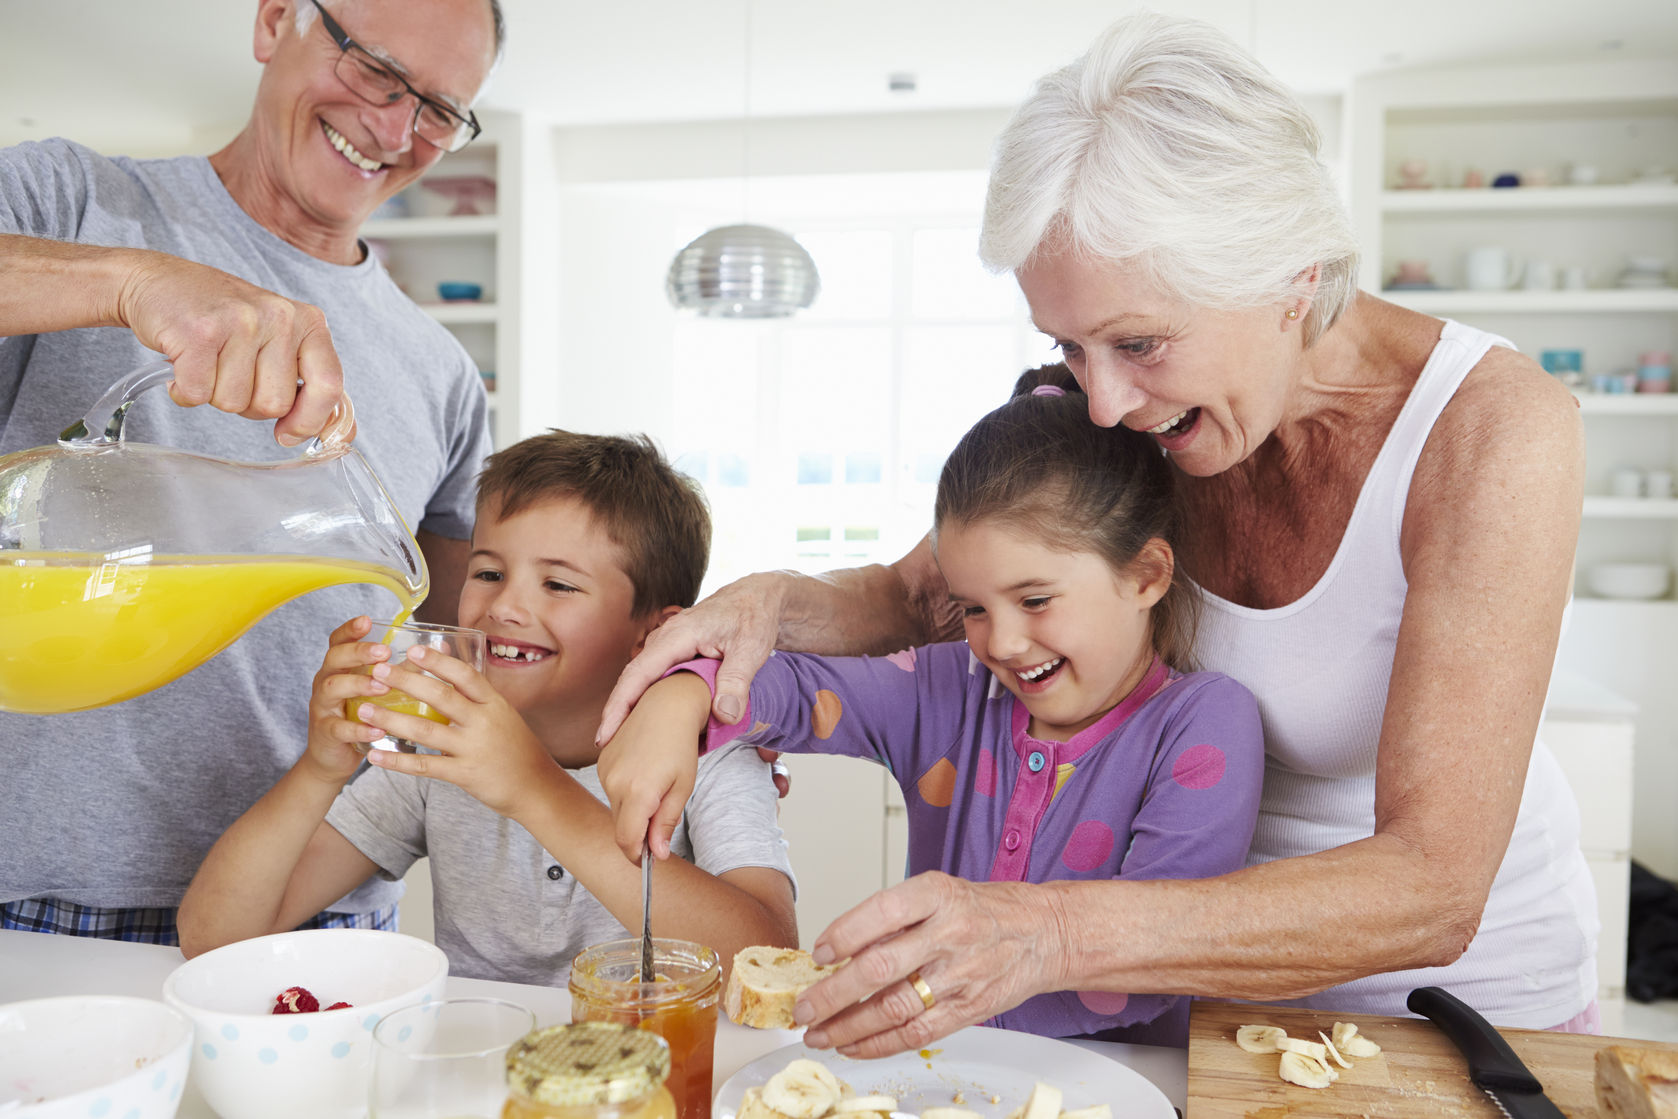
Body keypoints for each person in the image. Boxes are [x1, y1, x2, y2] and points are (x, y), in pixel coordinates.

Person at [598, 11, 1594, 1056]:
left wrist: (1045, 933)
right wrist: (754, 613)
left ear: (1291, 274)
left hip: (1456, 1022)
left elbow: (1434, 886)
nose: (1105, 403)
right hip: (1194, 1005)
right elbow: (914, 596)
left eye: (1141, 343)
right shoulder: (1122, 411)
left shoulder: (1490, 434)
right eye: (1071, 346)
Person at [0, 0, 505, 941]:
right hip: (44, 902)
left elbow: (460, 638)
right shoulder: (75, 203)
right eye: (375, 69)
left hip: (321, 915)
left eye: (439, 109)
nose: (395, 129)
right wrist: (128, 282)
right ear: (275, 22)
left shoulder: (439, 371)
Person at [601, 368, 1264, 1046]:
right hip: (938, 1077)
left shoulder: (1204, 725)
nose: (1001, 642)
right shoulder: (951, 687)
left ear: (1146, 575)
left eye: (1035, 600)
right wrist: (682, 696)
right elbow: (795, 690)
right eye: (973, 608)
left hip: (1128, 1086)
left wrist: (919, 1004)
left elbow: (1152, 963)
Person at [179, 430, 798, 980]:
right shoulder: (440, 743)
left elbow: (767, 962)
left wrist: (531, 786)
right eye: (489, 573)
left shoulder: (707, 754)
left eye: (558, 584)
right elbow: (215, 940)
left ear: (655, 633)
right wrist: (321, 770)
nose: (503, 607)